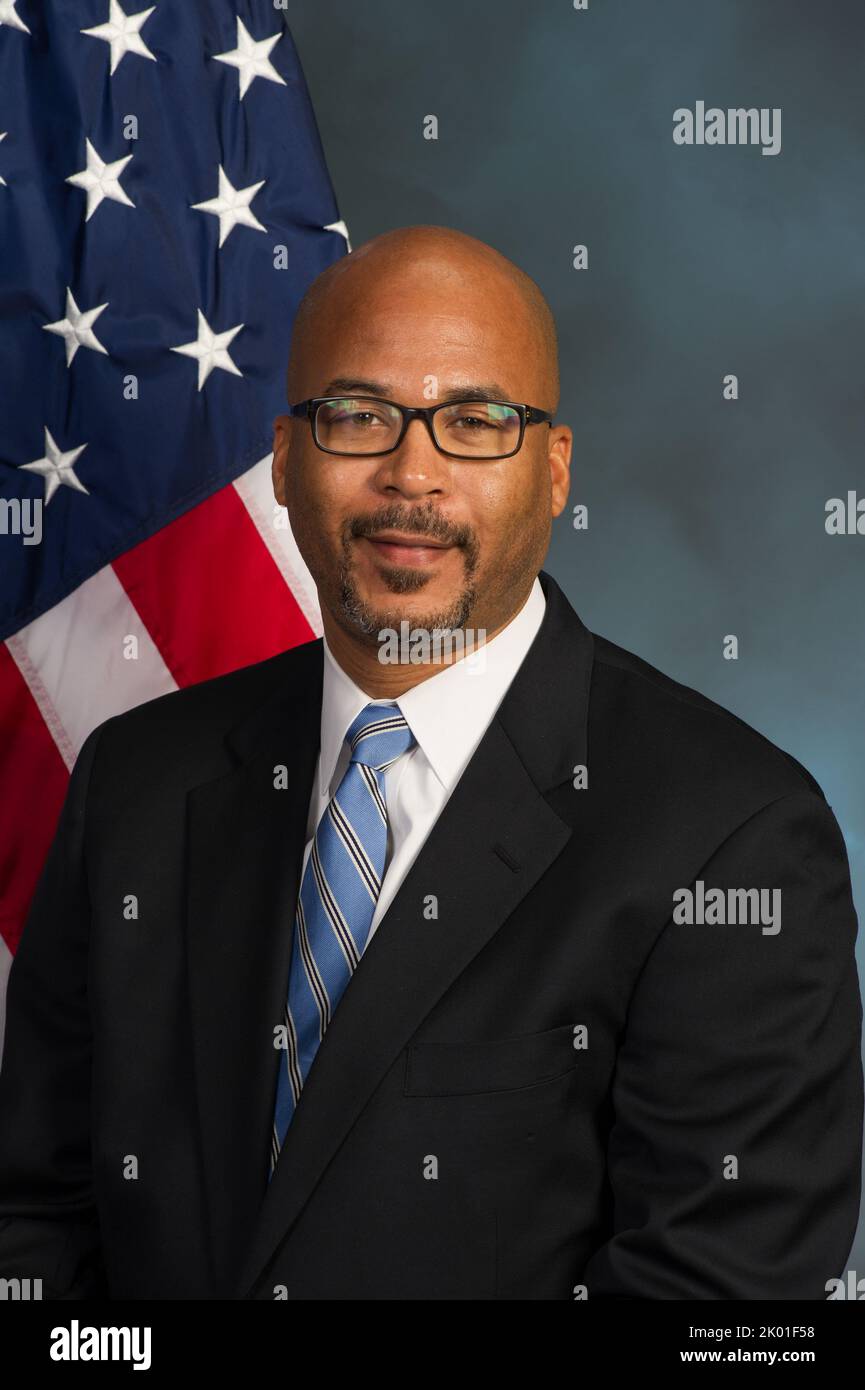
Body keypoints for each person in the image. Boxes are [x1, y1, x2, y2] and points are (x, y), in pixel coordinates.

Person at [0, 226, 861, 1300]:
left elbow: (717, 1299)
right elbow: (35, 1213)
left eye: (474, 422)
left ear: (552, 471)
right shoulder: (137, 781)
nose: (413, 474)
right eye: (358, 415)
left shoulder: (732, 835)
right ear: (283, 457)